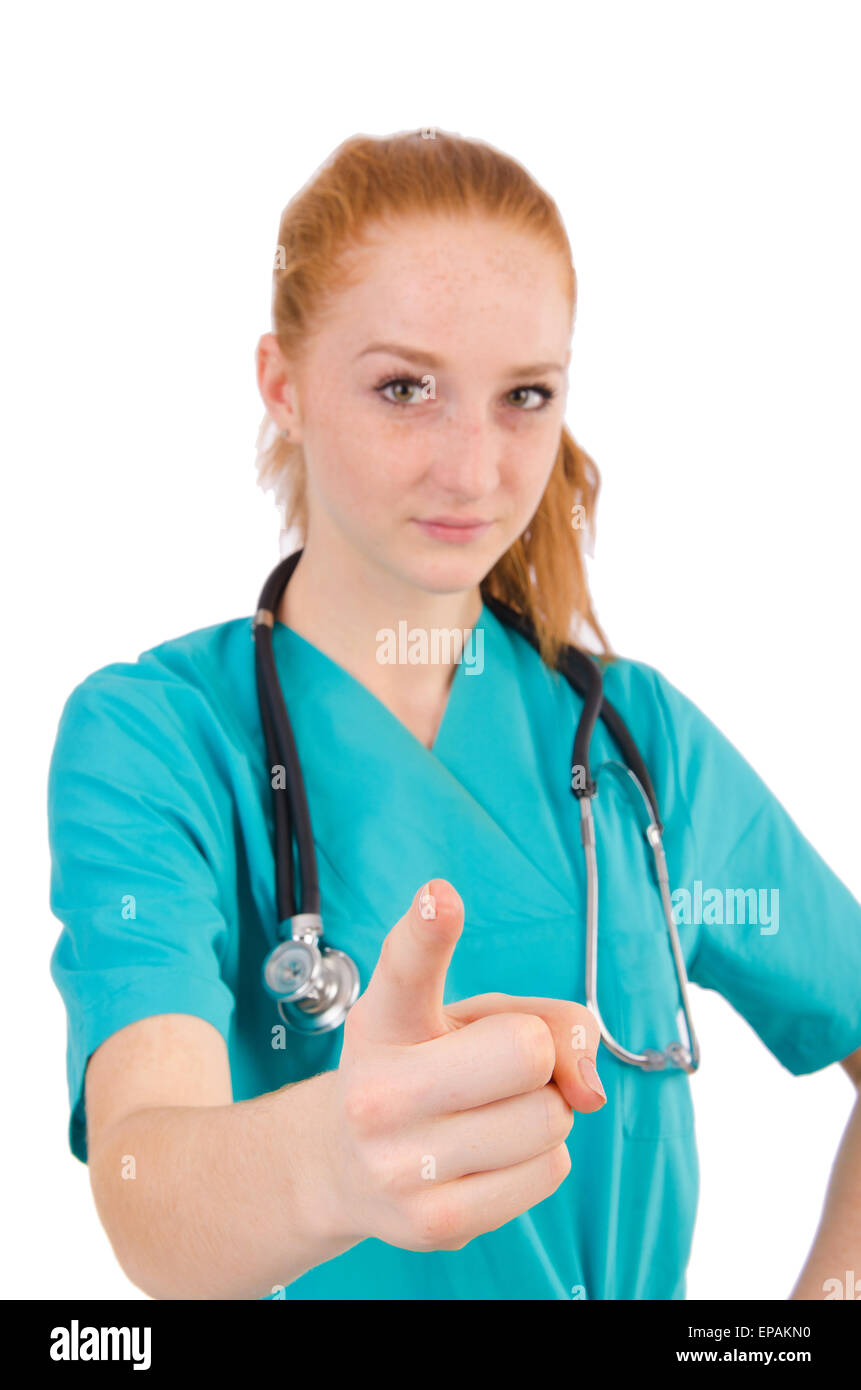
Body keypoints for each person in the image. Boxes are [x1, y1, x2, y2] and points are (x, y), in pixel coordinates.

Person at [47, 129, 861, 1301]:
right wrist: (338, 1160)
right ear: (282, 383)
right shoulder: (161, 739)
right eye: (403, 388)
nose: (475, 470)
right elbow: (142, 1185)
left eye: (525, 396)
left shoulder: (639, 746)